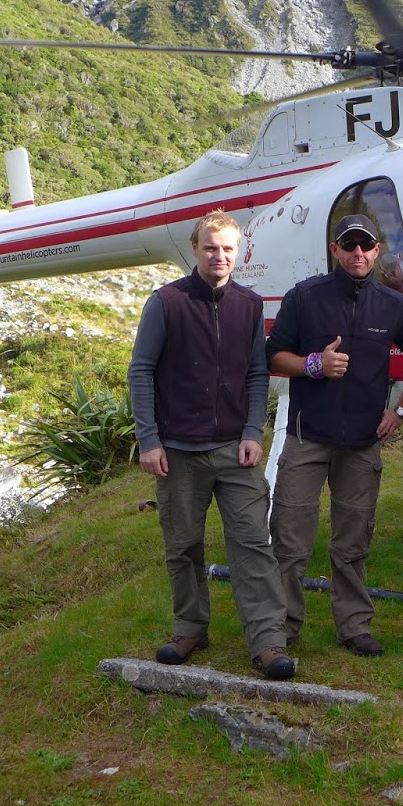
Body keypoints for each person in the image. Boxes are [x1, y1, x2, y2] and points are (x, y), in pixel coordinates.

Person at [127, 209, 294, 681]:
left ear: (238, 252)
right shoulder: (166, 302)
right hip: (177, 450)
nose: (219, 256)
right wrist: (150, 440)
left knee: (252, 543)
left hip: (234, 449)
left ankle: (267, 641)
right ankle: (190, 628)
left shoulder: (249, 305)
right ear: (195, 249)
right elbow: (140, 371)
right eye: (210, 248)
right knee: (183, 545)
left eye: (227, 249)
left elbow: (258, 374)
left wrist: (250, 432)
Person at [266, 213, 403, 656]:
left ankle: (353, 625)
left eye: (366, 246)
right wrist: (314, 365)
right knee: (290, 536)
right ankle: (281, 626)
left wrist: (400, 409)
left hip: (362, 441)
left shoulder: (392, 305)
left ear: (377, 251)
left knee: (353, 538)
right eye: (349, 245)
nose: (358, 253)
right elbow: (273, 356)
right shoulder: (305, 297)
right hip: (307, 436)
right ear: (335, 250)